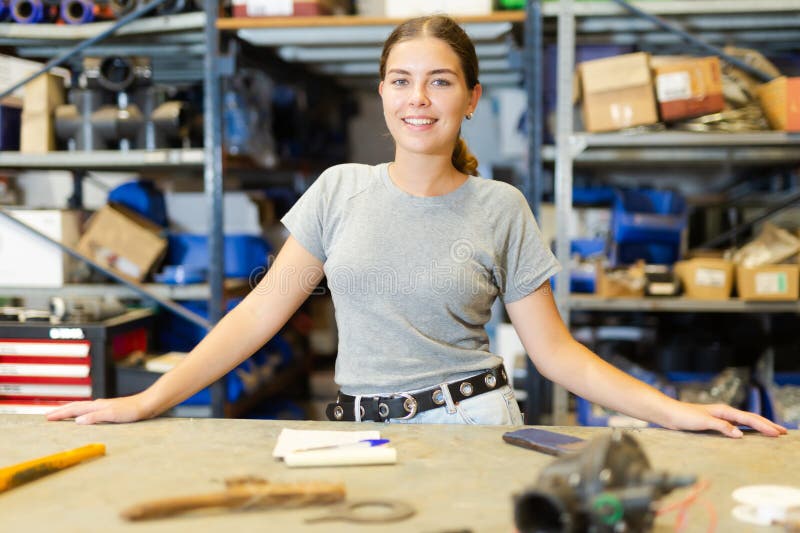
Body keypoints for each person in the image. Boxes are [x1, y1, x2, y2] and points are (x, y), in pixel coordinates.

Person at [48, 15, 785, 438]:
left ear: (469, 96)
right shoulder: (338, 191)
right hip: (357, 430)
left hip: (473, 424)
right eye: (402, 80)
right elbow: (255, 317)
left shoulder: (501, 207)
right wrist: (146, 400)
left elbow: (559, 356)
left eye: (439, 81)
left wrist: (674, 411)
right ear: (383, 92)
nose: (418, 99)